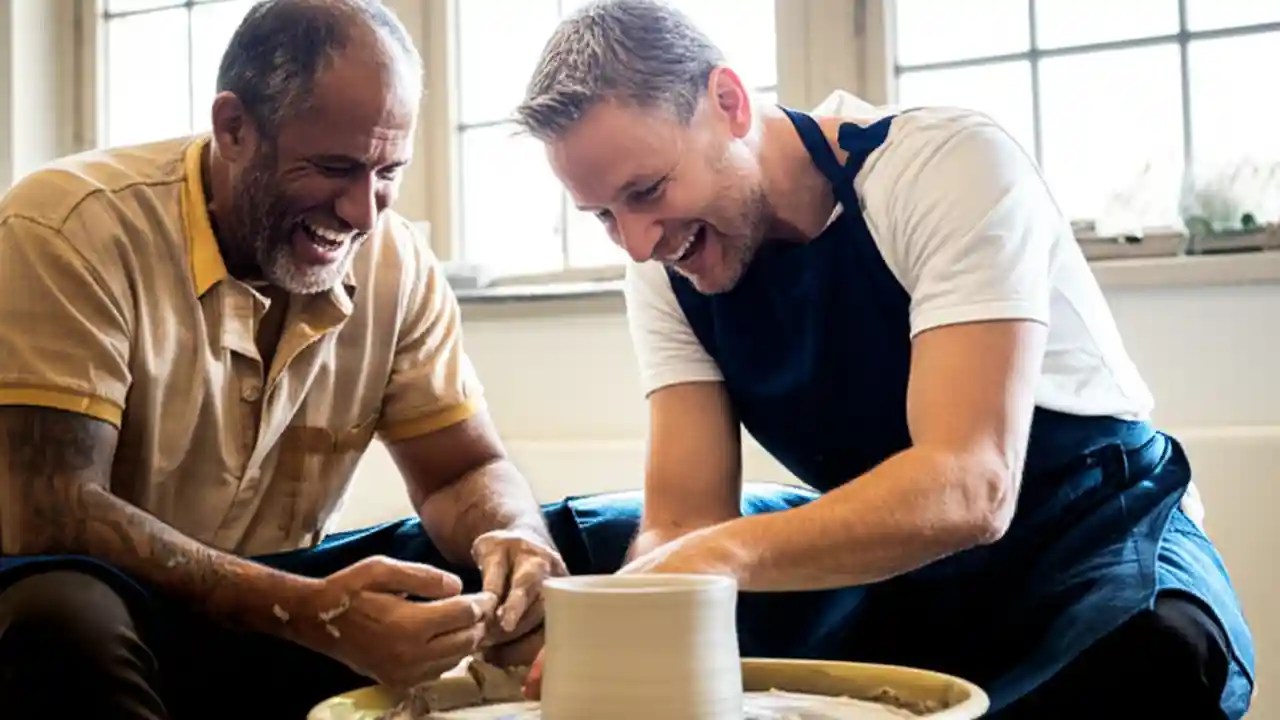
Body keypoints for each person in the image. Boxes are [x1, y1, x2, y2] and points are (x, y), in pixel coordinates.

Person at [513, 1, 1257, 717]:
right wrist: (615, 623)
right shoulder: (663, 266)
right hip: (894, 565)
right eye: (605, 215)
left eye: (647, 190)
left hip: (1088, 531)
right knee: (580, 549)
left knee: (1158, 655)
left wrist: (716, 560)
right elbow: (682, 521)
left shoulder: (946, 164)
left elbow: (970, 485)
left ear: (730, 101)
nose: (639, 241)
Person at [0, 1, 583, 717]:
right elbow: (52, 513)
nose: (364, 212)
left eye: (388, 171)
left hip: (284, 600)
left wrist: (516, 542)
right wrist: (309, 612)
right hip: (110, 606)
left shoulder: (395, 261)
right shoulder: (65, 227)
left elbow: (462, 470)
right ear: (233, 128)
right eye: (335, 168)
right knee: (60, 611)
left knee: (579, 540)